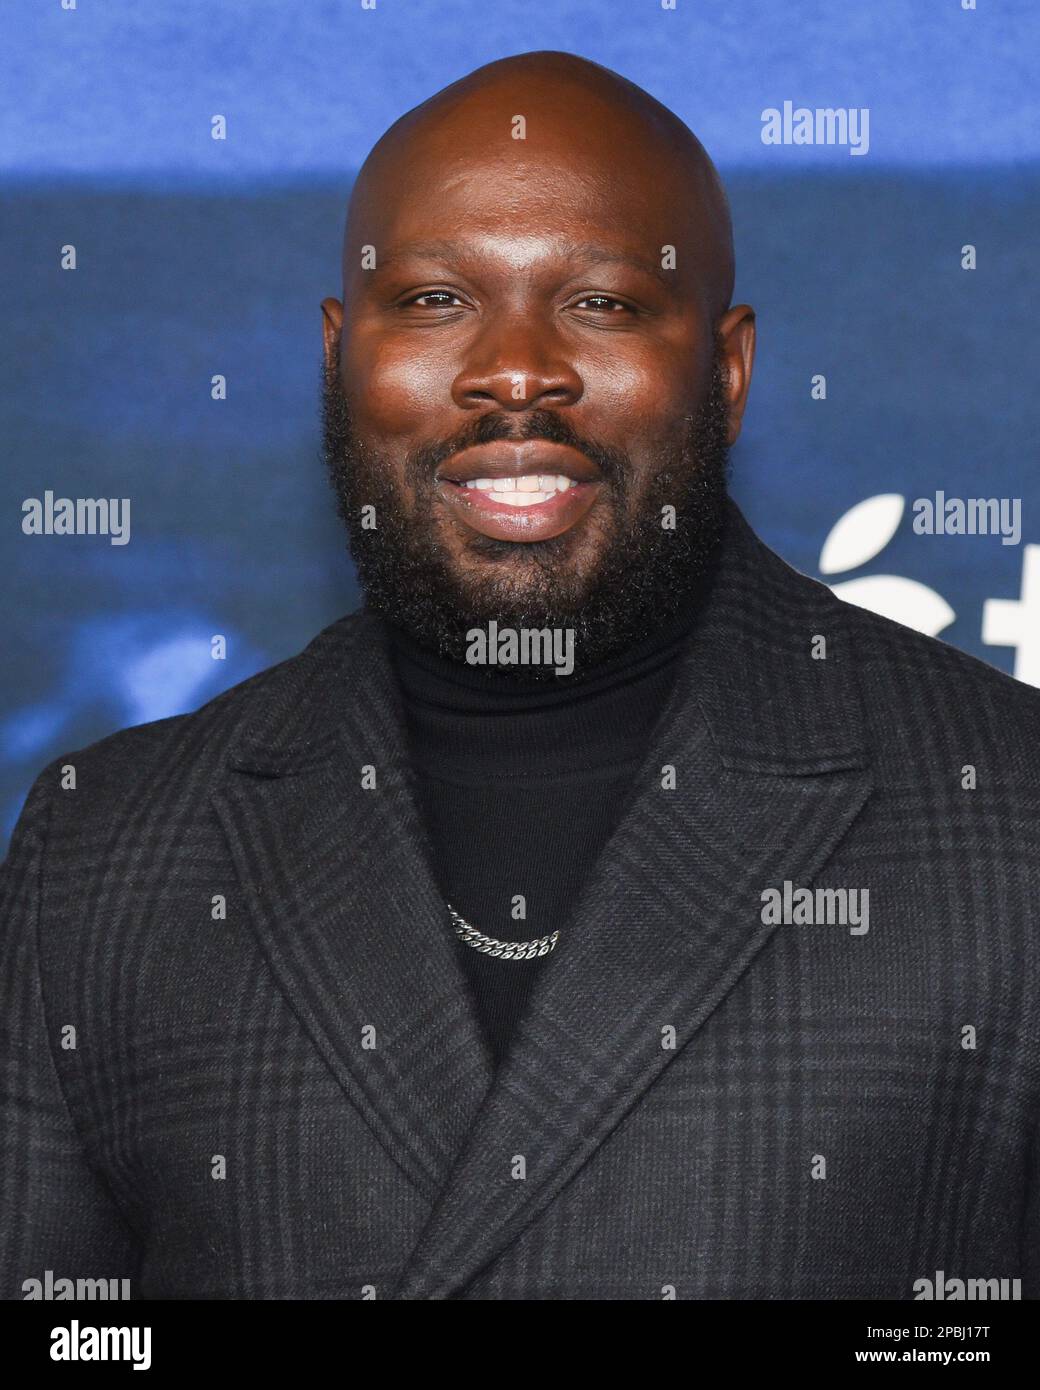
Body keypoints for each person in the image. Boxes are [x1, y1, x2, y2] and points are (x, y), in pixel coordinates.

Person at [2, 51, 1038, 1302]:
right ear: (341, 358)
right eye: (435, 300)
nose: (515, 372)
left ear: (727, 372)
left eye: (599, 303)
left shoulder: (1006, 822)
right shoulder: (101, 852)